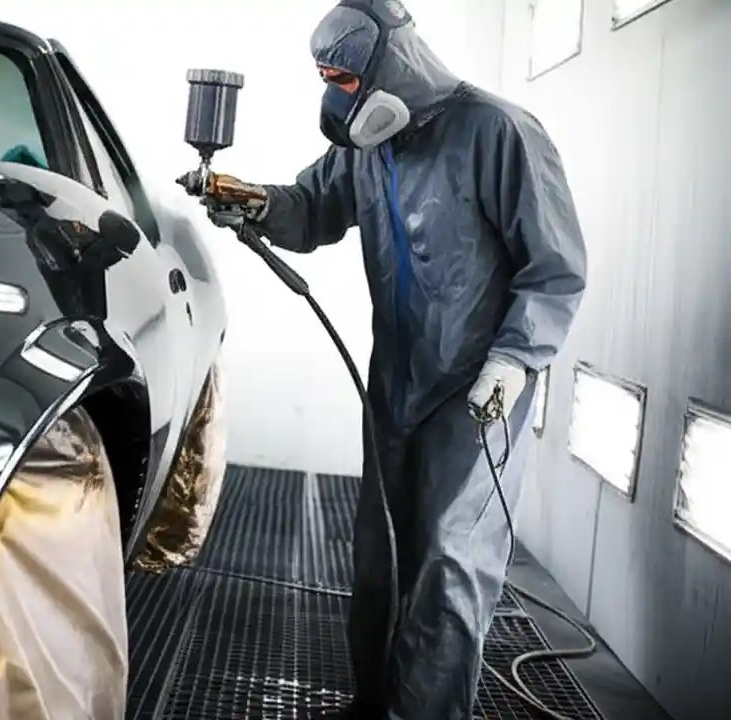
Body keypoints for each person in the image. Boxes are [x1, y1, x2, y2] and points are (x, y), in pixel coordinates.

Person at [204, 1, 587, 718]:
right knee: (381, 551)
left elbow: (556, 270)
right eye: (331, 81)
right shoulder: (367, 145)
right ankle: (373, 703)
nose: (339, 97)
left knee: (448, 563)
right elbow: (313, 207)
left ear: (393, 65)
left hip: (477, 392)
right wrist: (251, 201)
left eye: (348, 82)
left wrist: (513, 359)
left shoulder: (499, 133)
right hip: (397, 378)